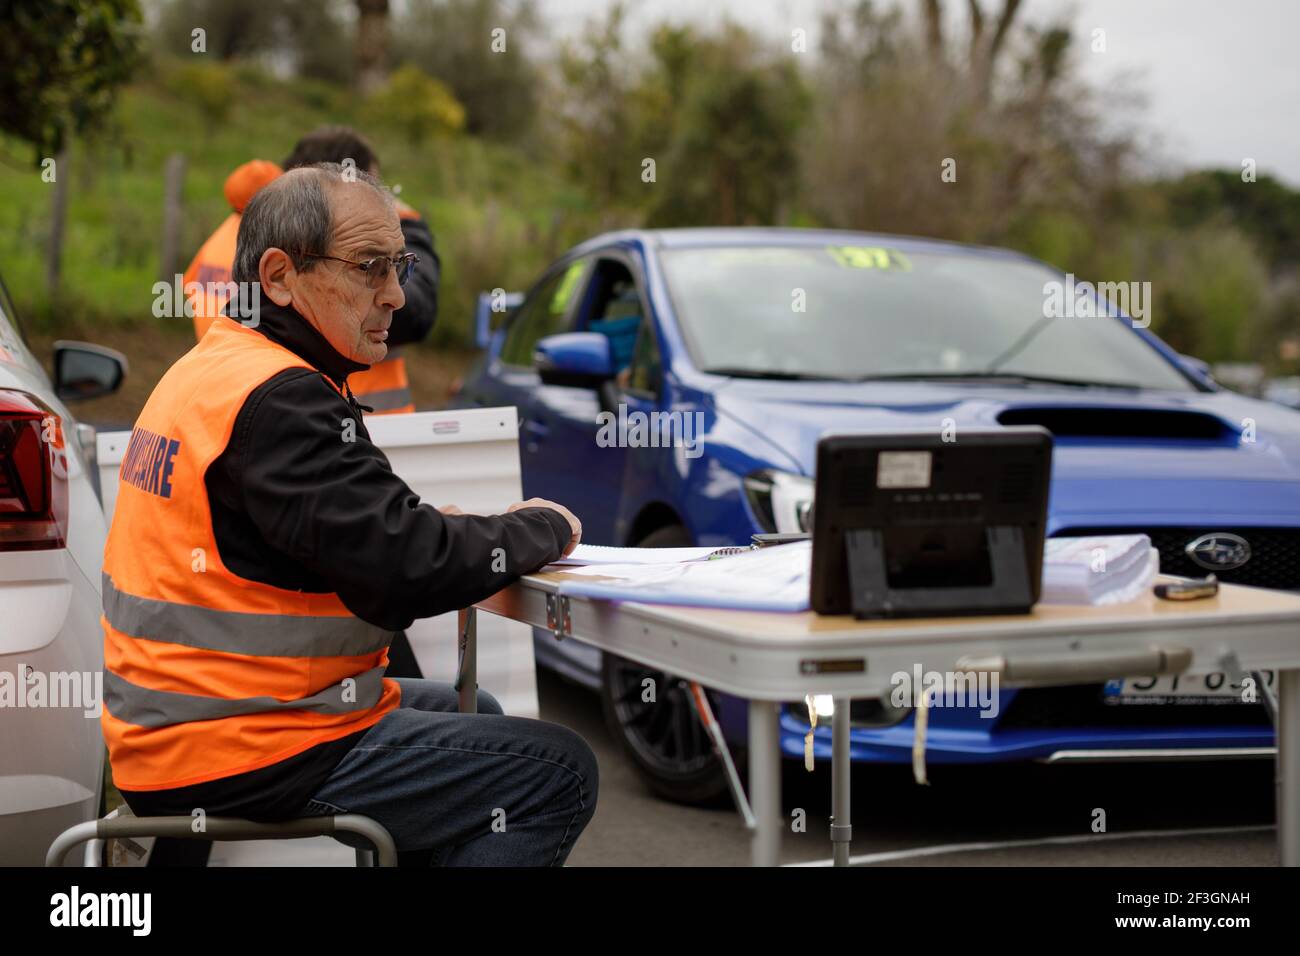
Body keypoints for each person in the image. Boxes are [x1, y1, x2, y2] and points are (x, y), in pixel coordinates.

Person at [102, 164, 598, 866]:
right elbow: (405, 569)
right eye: (369, 268)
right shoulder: (280, 399)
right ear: (278, 276)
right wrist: (542, 527)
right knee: (559, 773)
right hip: (235, 746)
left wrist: (428, 531)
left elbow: (347, 534)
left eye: (399, 265)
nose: (395, 295)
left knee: (476, 712)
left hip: (182, 728)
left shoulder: (218, 365)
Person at [281, 125, 439, 416]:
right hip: (360, 425)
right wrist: (410, 226)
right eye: (373, 188)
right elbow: (416, 314)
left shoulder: (256, 234)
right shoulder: (315, 253)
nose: (383, 201)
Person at [182, 159, 282, 340]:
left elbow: (189, 286)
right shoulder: (268, 244)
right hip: (245, 354)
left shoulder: (216, 239)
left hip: (208, 347)